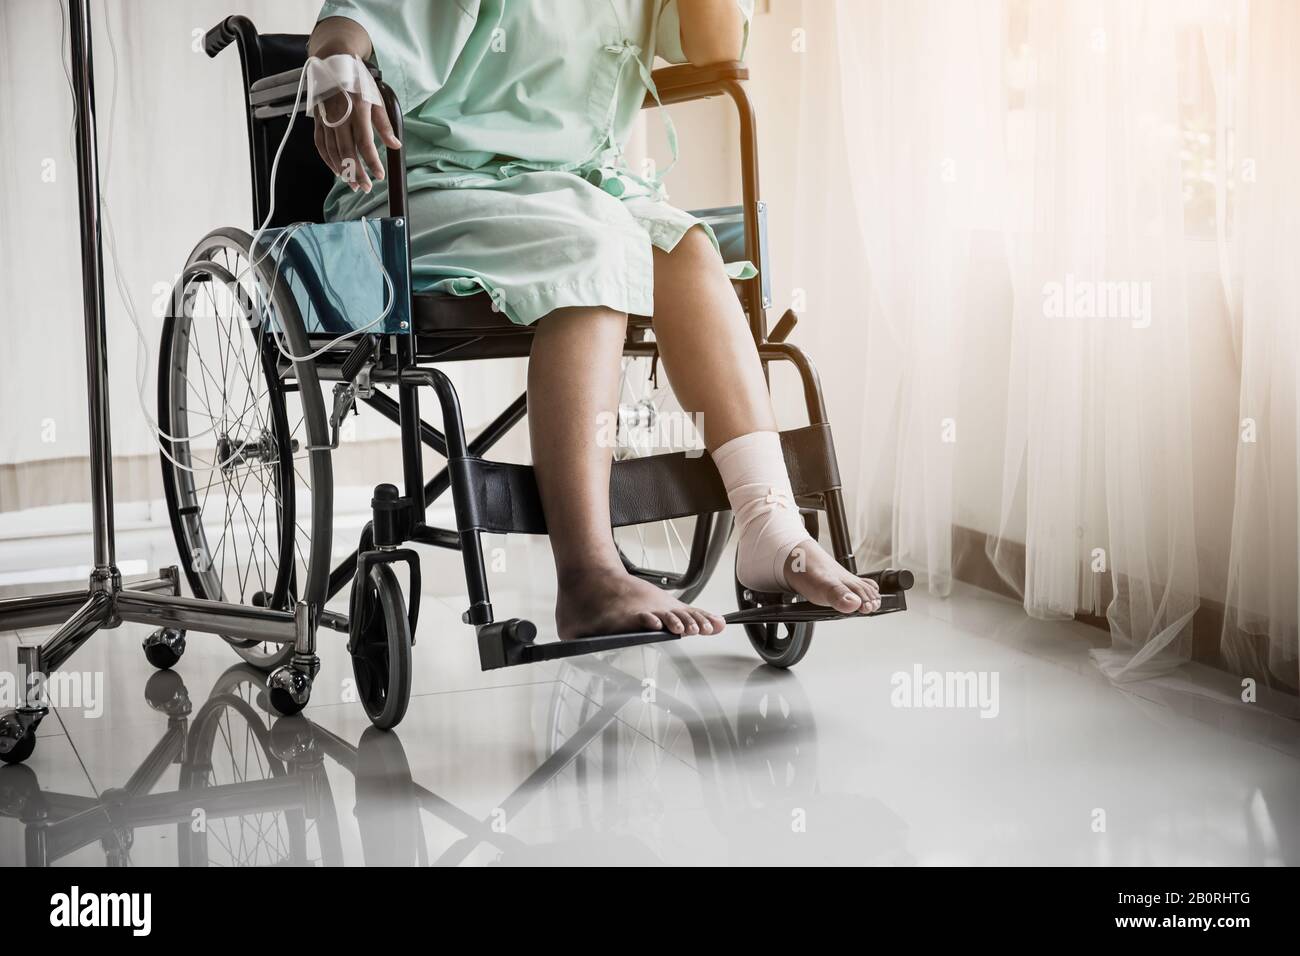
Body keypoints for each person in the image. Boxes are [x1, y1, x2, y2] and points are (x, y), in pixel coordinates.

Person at [308, 0, 880, 639]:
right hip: (431, 183)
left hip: (581, 188)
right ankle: (586, 572)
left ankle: (770, 528)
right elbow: (351, 23)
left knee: (686, 249)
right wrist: (336, 64)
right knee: (592, 250)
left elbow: (717, 49)